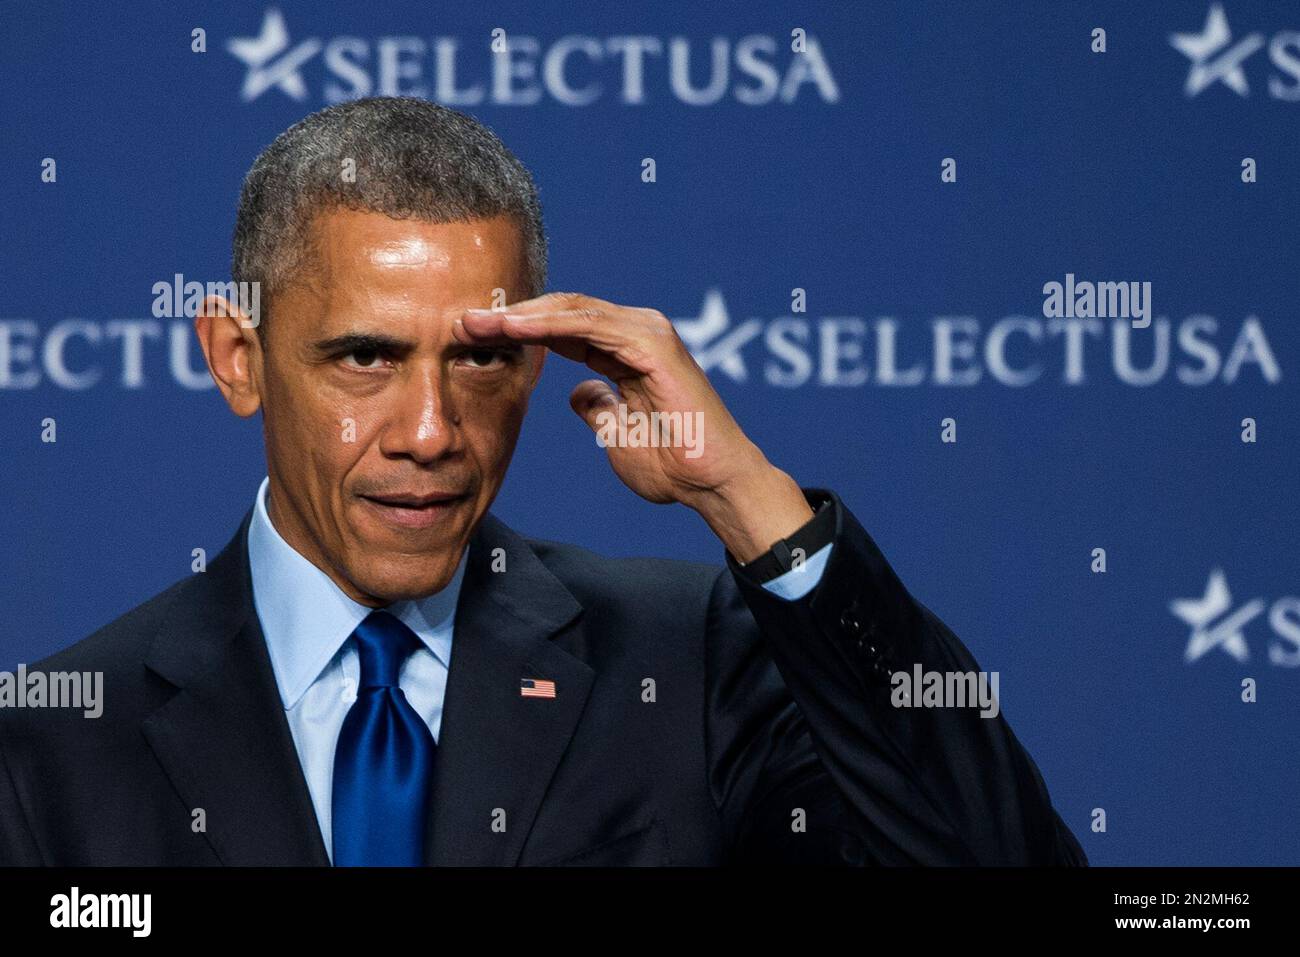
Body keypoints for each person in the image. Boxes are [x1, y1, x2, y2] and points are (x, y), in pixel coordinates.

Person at [0, 97, 1085, 866]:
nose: (430, 433)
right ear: (238, 359)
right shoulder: (52, 745)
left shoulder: (695, 664)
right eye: (365, 358)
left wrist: (749, 499)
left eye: (480, 360)